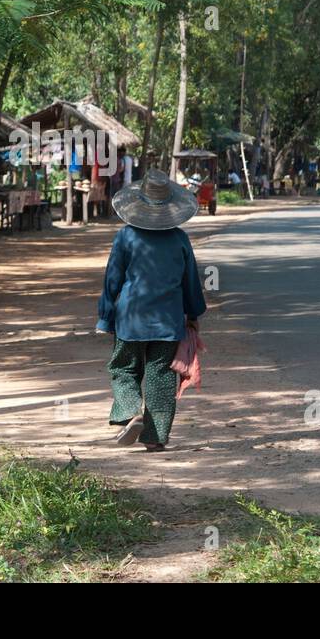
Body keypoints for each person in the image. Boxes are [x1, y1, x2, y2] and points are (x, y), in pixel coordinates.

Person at [97, 170, 206, 452]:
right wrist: (193, 313)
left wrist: (106, 316)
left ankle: (131, 411)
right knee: (161, 376)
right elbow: (190, 281)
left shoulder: (125, 237)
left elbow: (113, 279)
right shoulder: (180, 238)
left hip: (130, 319)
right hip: (168, 321)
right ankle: (155, 438)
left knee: (123, 368)